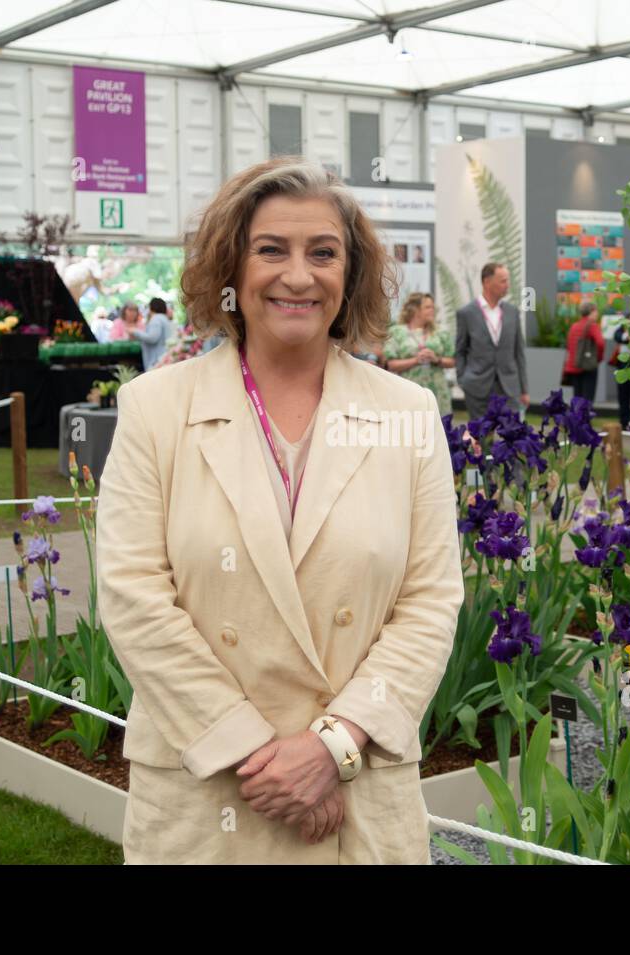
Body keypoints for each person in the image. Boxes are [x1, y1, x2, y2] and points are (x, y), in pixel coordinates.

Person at [96, 156, 463, 864]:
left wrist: (332, 747)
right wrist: (263, 755)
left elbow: (430, 601)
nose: (299, 275)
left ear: (348, 274)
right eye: (272, 250)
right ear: (230, 267)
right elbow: (133, 596)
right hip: (209, 798)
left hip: (357, 796)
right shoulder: (156, 409)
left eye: (323, 253)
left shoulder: (407, 412)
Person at [455, 262, 529, 419]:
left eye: (508, 280)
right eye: (503, 281)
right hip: (477, 388)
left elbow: (519, 353)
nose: (507, 285)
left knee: (513, 437)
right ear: (487, 282)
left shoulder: (512, 312)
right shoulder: (466, 313)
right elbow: (460, 351)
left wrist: (524, 389)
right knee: (483, 440)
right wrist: (463, 380)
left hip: (509, 389)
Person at [386, 292, 454, 416]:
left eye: (433, 307)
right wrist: (416, 360)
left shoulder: (441, 332)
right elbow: (390, 364)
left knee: (440, 429)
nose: (432, 310)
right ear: (415, 310)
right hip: (409, 392)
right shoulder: (397, 332)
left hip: (438, 394)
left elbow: (453, 361)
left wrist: (436, 359)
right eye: (428, 307)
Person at [562, 302, 605, 402]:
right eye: (596, 311)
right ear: (592, 312)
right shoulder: (592, 326)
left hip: (574, 366)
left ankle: (576, 417)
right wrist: (598, 358)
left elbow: (569, 346)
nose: (597, 314)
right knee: (587, 399)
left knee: (577, 397)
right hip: (588, 367)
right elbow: (601, 343)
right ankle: (584, 417)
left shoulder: (574, 326)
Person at [607, 312, 630, 429]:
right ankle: (624, 421)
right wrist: (626, 337)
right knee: (623, 393)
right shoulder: (622, 326)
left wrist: (628, 338)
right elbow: (617, 336)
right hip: (623, 364)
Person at [130, 297, 174, 370]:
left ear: (151, 307)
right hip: (164, 358)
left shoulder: (156, 319)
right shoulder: (164, 318)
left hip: (156, 361)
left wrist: (135, 331)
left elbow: (152, 338)